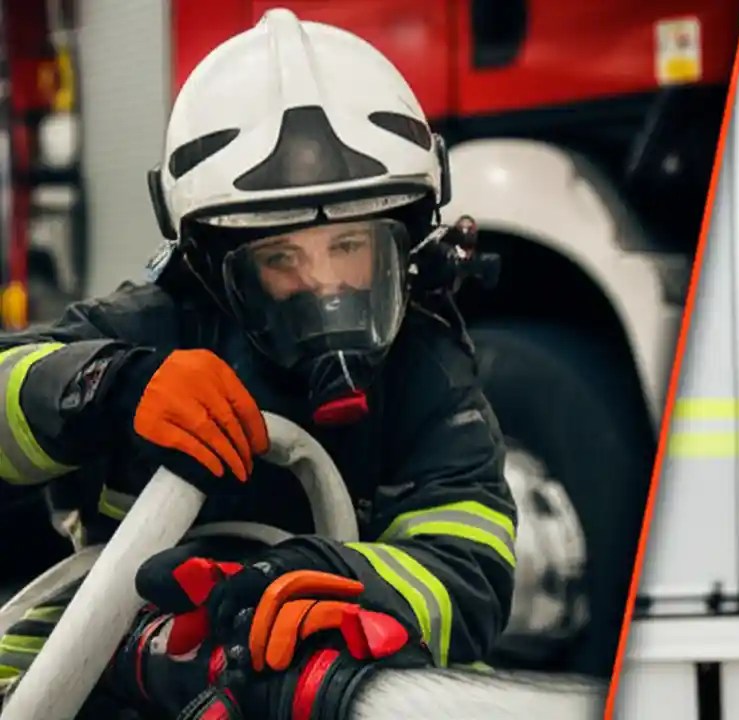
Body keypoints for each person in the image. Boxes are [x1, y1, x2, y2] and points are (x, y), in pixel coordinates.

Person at [0, 9, 516, 718]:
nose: (327, 290)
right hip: (116, 673)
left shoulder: (426, 368)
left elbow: (471, 573)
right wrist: (105, 389)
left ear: (403, 241)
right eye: (282, 260)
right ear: (212, 267)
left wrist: (340, 578)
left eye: (350, 248)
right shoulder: (160, 328)